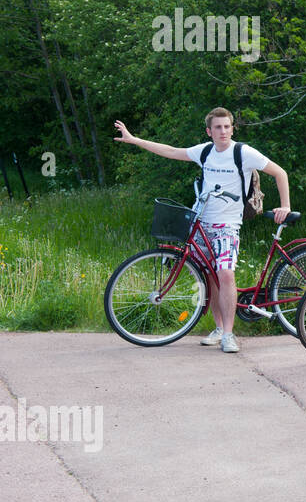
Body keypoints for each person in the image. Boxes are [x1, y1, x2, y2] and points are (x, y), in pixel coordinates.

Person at [113, 109, 292, 353]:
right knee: (210, 277)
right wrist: (134, 140)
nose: (223, 132)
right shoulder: (205, 152)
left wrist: (285, 205)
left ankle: (229, 334)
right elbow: (171, 151)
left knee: (226, 274)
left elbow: (280, 172)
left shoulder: (243, 153)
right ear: (209, 131)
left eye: (227, 127)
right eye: (218, 127)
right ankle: (219, 329)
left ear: (232, 128)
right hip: (201, 222)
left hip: (228, 225)